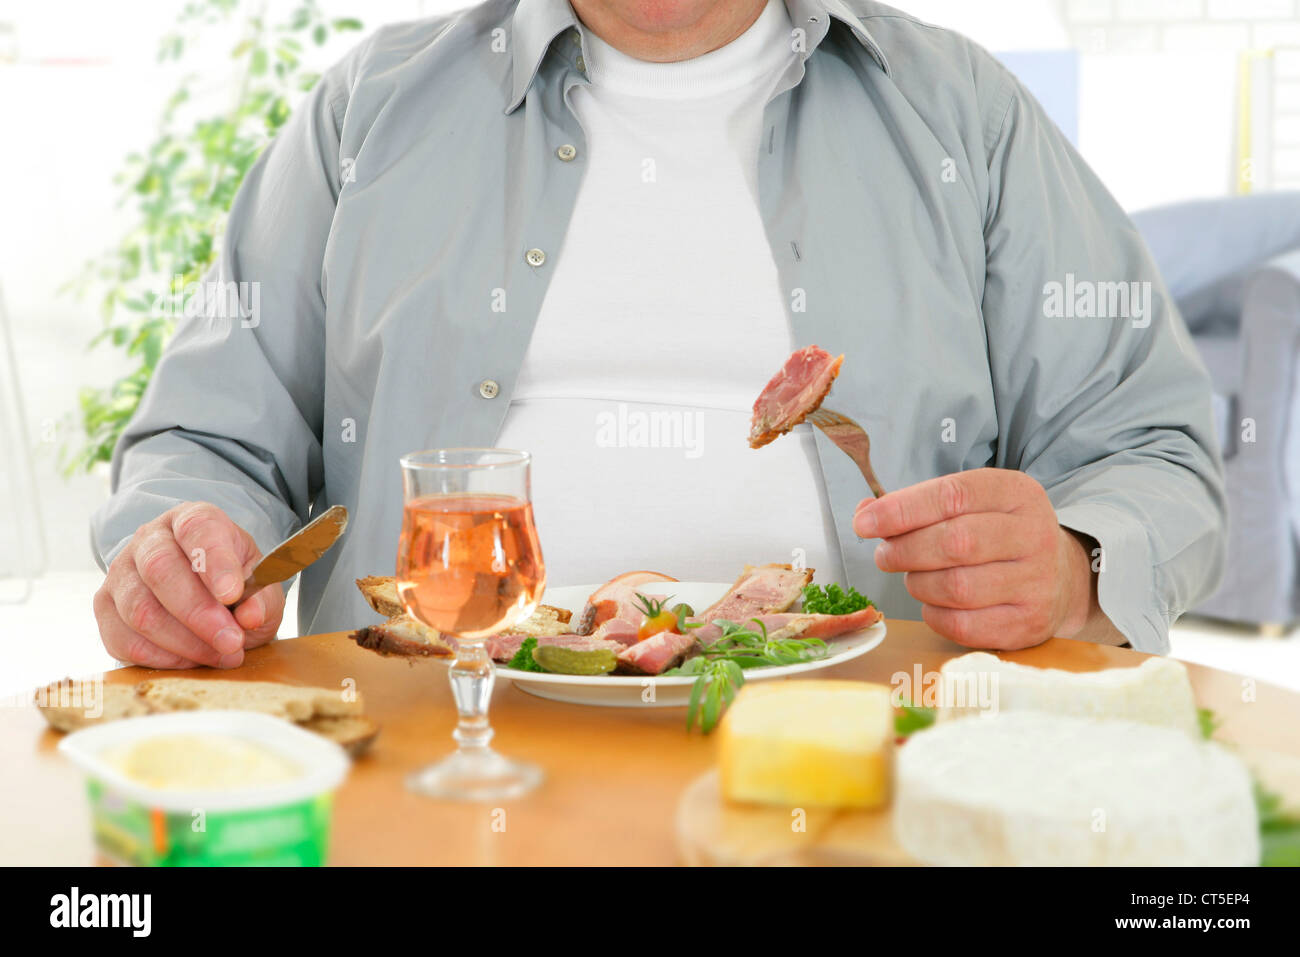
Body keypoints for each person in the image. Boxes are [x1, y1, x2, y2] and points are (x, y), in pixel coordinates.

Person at [91, 0, 1225, 669]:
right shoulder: (368, 111)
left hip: (863, 775)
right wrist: (183, 553)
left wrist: (1075, 563)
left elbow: (1154, 447)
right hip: (430, 761)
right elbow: (209, 443)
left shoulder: (964, 117)